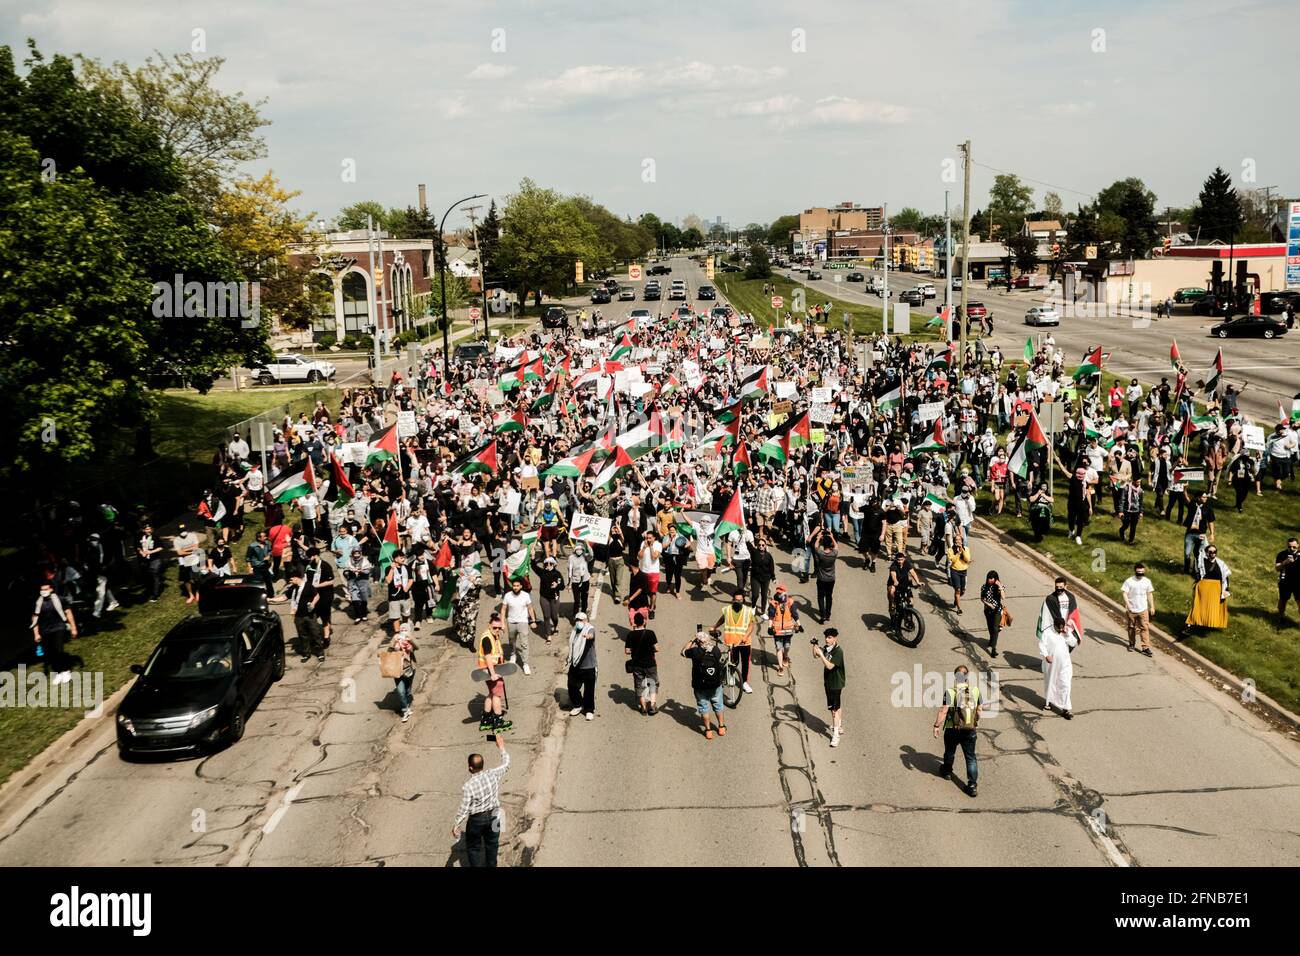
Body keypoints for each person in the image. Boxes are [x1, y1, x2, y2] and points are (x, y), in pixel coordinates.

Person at [452, 734, 509, 868]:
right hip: (496, 814)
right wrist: (501, 747)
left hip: (477, 820)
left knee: (474, 848)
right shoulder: (493, 774)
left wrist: (456, 825)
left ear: (470, 767)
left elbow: (464, 808)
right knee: (493, 844)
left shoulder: (468, 786)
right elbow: (506, 764)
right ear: (482, 765)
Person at [934, 664, 981, 797]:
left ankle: (947, 771)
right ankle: (972, 785)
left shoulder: (950, 692)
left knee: (950, 751)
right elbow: (980, 709)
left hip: (952, 728)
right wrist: (974, 723)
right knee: (971, 757)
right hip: (970, 729)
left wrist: (936, 725)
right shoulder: (975, 691)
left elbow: (944, 710)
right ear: (967, 677)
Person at [1037, 577, 1079, 719]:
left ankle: (1066, 709)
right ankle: (1048, 701)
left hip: (1065, 663)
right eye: (1057, 587)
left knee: (1065, 684)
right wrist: (1046, 655)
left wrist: (1068, 633)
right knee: (1051, 682)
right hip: (1051, 663)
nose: (1059, 589)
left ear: (1066, 586)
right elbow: (1042, 644)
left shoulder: (1065, 633)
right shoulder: (1048, 633)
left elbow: (1073, 643)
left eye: (1062, 587)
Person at [682, 627, 727, 739]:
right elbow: (720, 660)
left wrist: (692, 640)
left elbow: (683, 652)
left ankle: (708, 730)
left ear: (698, 642)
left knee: (704, 708)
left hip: (700, 685)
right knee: (718, 705)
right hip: (715, 684)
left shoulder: (695, 652)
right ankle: (721, 727)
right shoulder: (716, 650)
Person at [32, 580, 77, 686]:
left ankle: (65, 671)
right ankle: (57, 672)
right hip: (45, 631)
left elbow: (68, 613)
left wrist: (73, 627)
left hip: (58, 628)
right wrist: (36, 634)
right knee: (50, 652)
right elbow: (35, 618)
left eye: (46, 589)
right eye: (42, 589)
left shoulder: (60, 599)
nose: (43, 591)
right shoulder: (38, 603)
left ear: (51, 589)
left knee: (59, 649)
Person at [715, 591, 756, 694]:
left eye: (740, 600)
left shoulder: (748, 611)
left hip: (744, 642)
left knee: (745, 663)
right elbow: (722, 619)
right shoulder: (727, 610)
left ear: (743, 600)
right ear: (732, 600)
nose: (738, 602)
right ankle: (731, 676)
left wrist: (745, 636)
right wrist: (714, 627)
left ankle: (744, 682)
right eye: (736, 600)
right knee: (733, 661)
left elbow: (751, 625)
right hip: (731, 641)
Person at [477, 614, 511, 732]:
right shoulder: (487, 638)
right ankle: (498, 720)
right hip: (491, 670)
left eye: (499, 628)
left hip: (494, 669)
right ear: (489, 625)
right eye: (495, 627)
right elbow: (488, 657)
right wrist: (493, 674)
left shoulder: (493, 635)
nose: (497, 630)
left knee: (491, 694)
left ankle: (485, 720)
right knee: (497, 695)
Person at [1185, 544, 1230, 632]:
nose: (1213, 553)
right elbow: (1196, 555)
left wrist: (1226, 589)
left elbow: (1226, 577)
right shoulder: (1201, 562)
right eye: (1210, 552)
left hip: (1216, 588)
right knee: (1199, 607)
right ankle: (1191, 624)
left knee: (1214, 608)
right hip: (1204, 588)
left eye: (1214, 552)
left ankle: (1208, 625)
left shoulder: (1220, 563)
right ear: (1206, 553)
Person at [812, 628, 846, 747]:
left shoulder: (838, 651)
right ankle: (839, 726)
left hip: (835, 684)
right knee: (837, 706)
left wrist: (821, 654)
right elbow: (815, 655)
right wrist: (815, 645)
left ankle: (835, 735)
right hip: (829, 682)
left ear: (835, 638)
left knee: (834, 710)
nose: (827, 639)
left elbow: (830, 666)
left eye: (830, 637)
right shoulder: (827, 648)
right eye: (826, 637)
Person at [287, 565, 325, 663]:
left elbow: (317, 595)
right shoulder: (293, 588)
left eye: (291, 579)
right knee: (302, 635)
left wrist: (312, 604)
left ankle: (320, 653)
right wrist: (271, 599)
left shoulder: (308, 586)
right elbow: (284, 597)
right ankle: (306, 653)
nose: (290, 581)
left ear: (296, 578)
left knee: (315, 634)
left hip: (310, 616)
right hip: (298, 616)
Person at [624, 611, 660, 715]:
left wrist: (635, 651)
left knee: (639, 685)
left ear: (634, 622)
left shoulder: (631, 635)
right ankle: (652, 705)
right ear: (644, 621)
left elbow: (627, 651)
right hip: (650, 664)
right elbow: (657, 649)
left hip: (637, 665)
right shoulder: (650, 633)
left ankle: (643, 707)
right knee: (653, 683)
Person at [500, 577, 536, 675]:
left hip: (523, 622)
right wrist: (502, 623)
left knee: (524, 644)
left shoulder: (525, 596)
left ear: (521, 586)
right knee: (511, 640)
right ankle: (513, 654)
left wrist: (533, 620)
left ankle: (525, 664)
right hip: (511, 621)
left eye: (517, 586)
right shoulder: (507, 595)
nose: (515, 587)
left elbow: (530, 608)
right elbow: (503, 609)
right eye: (514, 586)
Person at [566, 612, 598, 720]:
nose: (578, 622)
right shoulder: (575, 630)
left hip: (588, 666)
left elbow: (591, 635)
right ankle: (578, 704)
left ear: (586, 620)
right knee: (571, 686)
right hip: (575, 664)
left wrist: (587, 636)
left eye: (580, 620)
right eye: (577, 620)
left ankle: (589, 710)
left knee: (589, 689)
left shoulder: (590, 629)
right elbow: (572, 645)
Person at [1120, 563, 1155, 656]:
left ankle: (1145, 647)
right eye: (1139, 572)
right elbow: (1124, 593)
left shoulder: (1147, 581)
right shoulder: (1129, 581)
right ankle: (1131, 643)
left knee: (1145, 628)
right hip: (1132, 609)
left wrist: (1152, 606)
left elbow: (1149, 594)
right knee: (1131, 627)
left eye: (1142, 572)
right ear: (1135, 571)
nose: (1140, 574)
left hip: (1143, 609)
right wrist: (1128, 604)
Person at [766, 584, 800, 676]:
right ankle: (780, 667)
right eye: (778, 592)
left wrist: (799, 625)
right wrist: (769, 627)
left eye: (780, 593)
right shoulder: (774, 603)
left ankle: (786, 656)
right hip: (777, 630)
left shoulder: (790, 602)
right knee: (778, 647)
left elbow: (795, 614)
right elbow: (771, 616)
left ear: (785, 593)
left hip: (788, 630)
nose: (778, 594)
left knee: (787, 646)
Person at [1182, 490, 1215, 575]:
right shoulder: (1192, 504)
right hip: (1190, 533)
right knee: (1187, 553)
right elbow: (1186, 499)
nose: (1206, 498)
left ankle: (1195, 570)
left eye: (1206, 497)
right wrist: (1185, 490)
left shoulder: (1208, 508)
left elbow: (1210, 521)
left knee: (1200, 553)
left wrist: (1212, 533)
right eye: (1204, 497)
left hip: (1201, 534)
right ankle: (1186, 569)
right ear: (1198, 498)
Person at [389, 627, 417, 721]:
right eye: (402, 630)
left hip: (409, 669)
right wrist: (394, 643)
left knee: (407, 691)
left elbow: (418, 646)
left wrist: (410, 642)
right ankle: (406, 710)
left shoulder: (409, 641)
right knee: (401, 692)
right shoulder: (396, 641)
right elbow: (388, 651)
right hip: (398, 670)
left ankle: (407, 702)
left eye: (405, 630)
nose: (403, 633)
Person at [536, 555, 565, 642]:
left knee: (554, 616)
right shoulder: (542, 572)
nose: (548, 565)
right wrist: (533, 558)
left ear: (554, 564)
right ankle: (548, 635)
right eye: (546, 564)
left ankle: (555, 625)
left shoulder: (557, 574)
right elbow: (533, 566)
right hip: (544, 597)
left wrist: (557, 585)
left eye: (550, 563)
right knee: (546, 616)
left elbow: (562, 586)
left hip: (554, 597)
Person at [812, 528, 838, 623]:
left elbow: (815, 546)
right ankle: (828, 614)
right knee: (829, 596)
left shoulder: (821, 553)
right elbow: (836, 546)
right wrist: (831, 536)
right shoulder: (834, 554)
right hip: (831, 579)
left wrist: (819, 538)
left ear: (823, 544)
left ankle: (822, 615)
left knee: (820, 596)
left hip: (821, 579)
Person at [385, 550, 412, 636]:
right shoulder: (388, 568)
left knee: (406, 613)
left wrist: (407, 588)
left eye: (403, 557)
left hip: (405, 595)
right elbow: (388, 581)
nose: (403, 559)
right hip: (394, 596)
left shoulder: (407, 567)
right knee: (395, 616)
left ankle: (405, 627)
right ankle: (397, 632)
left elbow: (411, 579)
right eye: (401, 557)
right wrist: (392, 569)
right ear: (395, 559)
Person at [173, 522, 201, 604]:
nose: (183, 532)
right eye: (181, 530)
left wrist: (184, 550)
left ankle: (198, 592)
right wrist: (190, 550)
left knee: (197, 578)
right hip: (184, 563)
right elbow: (179, 553)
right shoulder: (176, 540)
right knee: (186, 580)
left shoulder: (192, 535)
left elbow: (196, 547)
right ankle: (191, 595)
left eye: (184, 530)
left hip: (195, 560)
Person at [980, 570, 1005, 658]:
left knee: (995, 629)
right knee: (990, 628)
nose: (989, 580)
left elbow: (1003, 597)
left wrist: (1000, 586)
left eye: (991, 578)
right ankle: (991, 640)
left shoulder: (999, 587)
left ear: (995, 579)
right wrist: (989, 605)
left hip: (997, 610)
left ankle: (993, 649)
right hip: (987, 610)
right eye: (988, 578)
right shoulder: (984, 587)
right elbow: (982, 599)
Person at [947, 528, 971, 614]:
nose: (958, 541)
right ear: (954, 541)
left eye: (959, 540)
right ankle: (958, 608)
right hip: (955, 571)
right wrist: (958, 553)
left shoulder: (966, 549)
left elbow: (968, 559)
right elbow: (952, 560)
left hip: (963, 571)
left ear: (962, 541)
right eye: (956, 540)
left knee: (962, 591)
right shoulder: (950, 550)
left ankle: (956, 600)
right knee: (957, 589)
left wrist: (962, 550)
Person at [1277, 538, 1300, 627]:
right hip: (1285, 581)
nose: (1292, 549)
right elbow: (1277, 568)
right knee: (1283, 600)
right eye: (1290, 547)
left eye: (1294, 547)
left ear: (1298, 545)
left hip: (1298, 583)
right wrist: (1285, 562)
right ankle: (1281, 616)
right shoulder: (1282, 554)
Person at [1118, 476, 1143, 545]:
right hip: (1127, 510)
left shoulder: (1140, 490)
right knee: (1126, 524)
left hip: (1136, 511)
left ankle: (1131, 541)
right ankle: (1121, 531)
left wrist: (1141, 512)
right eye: (1137, 482)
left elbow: (1141, 502)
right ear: (1133, 481)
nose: (1139, 483)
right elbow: (1122, 500)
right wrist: (1120, 511)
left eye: (1140, 482)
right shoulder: (1126, 488)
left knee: (1133, 527)